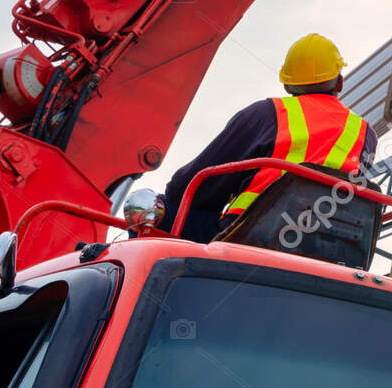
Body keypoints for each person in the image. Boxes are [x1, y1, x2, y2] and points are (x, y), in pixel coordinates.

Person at [157, 33, 377, 243]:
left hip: (248, 237)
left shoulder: (266, 114)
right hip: (329, 244)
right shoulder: (365, 134)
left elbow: (189, 188)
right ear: (339, 82)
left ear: (286, 84)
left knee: (157, 208)